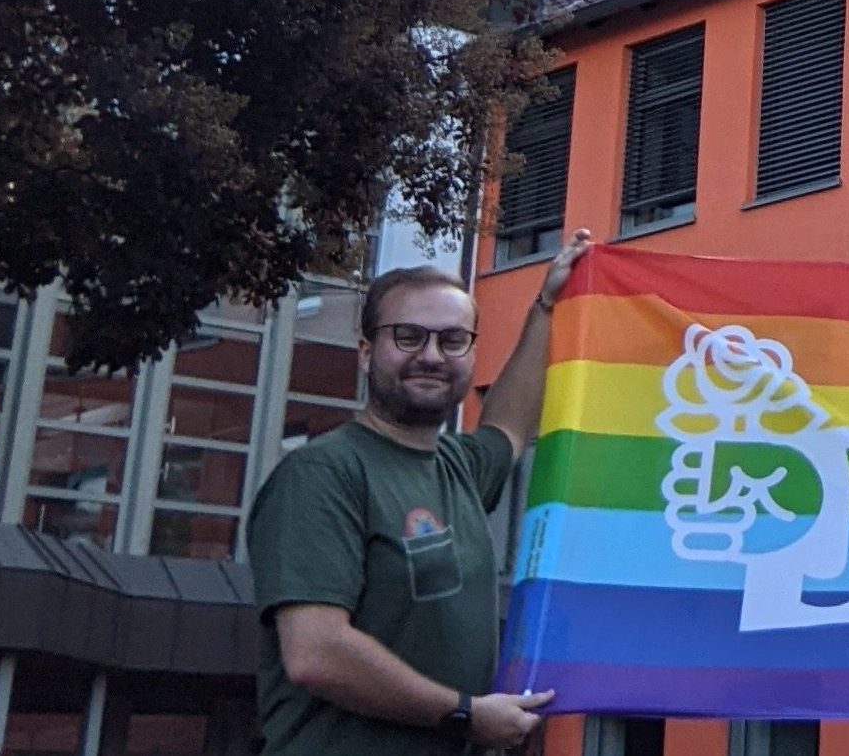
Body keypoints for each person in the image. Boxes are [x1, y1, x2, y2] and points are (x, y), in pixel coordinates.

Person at [249, 228, 592, 755]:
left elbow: (509, 423)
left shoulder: (457, 466)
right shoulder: (323, 473)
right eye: (408, 336)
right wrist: (464, 714)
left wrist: (546, 305)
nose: (432, 355)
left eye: (453, 339)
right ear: (366, 352)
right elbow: (315, 652)